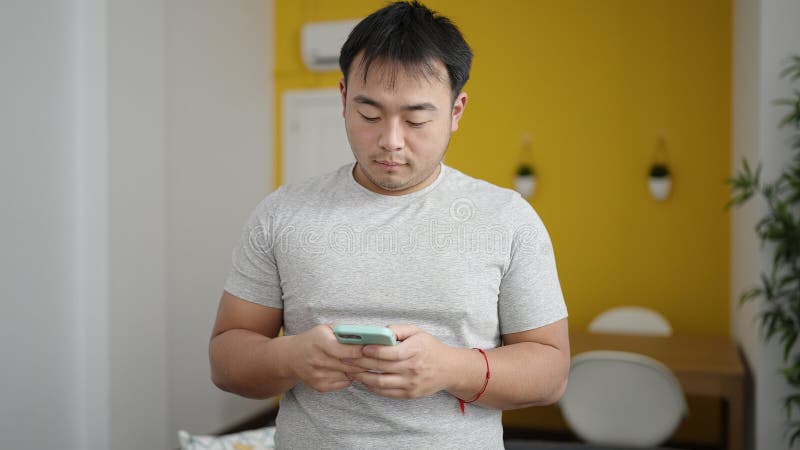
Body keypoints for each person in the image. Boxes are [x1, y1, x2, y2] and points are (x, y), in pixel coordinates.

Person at [209, 1, 569, 448]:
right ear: (343, 98)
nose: (390, 141)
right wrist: (290, 356)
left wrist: (449, 369)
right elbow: (226, 360)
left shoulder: (507, 218)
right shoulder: (282, 213)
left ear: (457, 110)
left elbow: (551, 374)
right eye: (369, 115)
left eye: (416, 118)